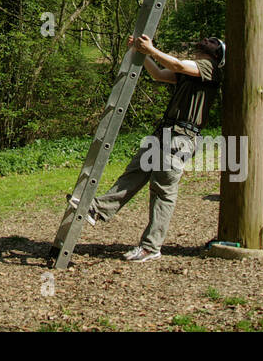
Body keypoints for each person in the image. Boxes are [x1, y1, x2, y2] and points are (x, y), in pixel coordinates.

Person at [86, 34, 225, 261]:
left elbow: (177, 64)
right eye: (198, 52)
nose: (197, 55)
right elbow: (159, 74)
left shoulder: (209, 69)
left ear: (213, 57)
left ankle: (151, 247)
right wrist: (138, 51)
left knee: (163, 190)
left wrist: (150, 49)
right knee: (133, 174)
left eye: (201, 52)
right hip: (165, 133)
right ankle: (98, 210)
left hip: (182, 137)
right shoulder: (192, 72)